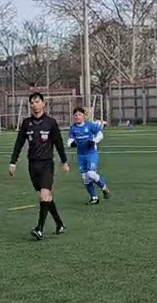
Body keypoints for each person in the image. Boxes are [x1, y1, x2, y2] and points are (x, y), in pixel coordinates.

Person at [9, 92, 70, 240]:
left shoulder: (50, 122)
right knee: (46, 198)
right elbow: (19, 143)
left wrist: (64, 161)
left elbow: (58, 143)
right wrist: (13, 162)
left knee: (44, 195)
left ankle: (39, 229)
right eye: (32, 102)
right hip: (33, 165)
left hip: (47, 164)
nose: (34, 105)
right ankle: (59, 223)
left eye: (37, 101)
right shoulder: (26, 123)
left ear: (43, 103)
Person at [67, 106, 110, 204]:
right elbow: (69, 141)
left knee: (90, 174)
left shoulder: (90, 125)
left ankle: (104, 188)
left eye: (79, 114)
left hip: (91, 153)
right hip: (80, 155)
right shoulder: (73, 128)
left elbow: (100, 135)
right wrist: (72, 144)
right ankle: (94, 198)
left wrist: (94, 141)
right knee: (85, 179)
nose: (77, 117)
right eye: (75, 115)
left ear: (83, 116)